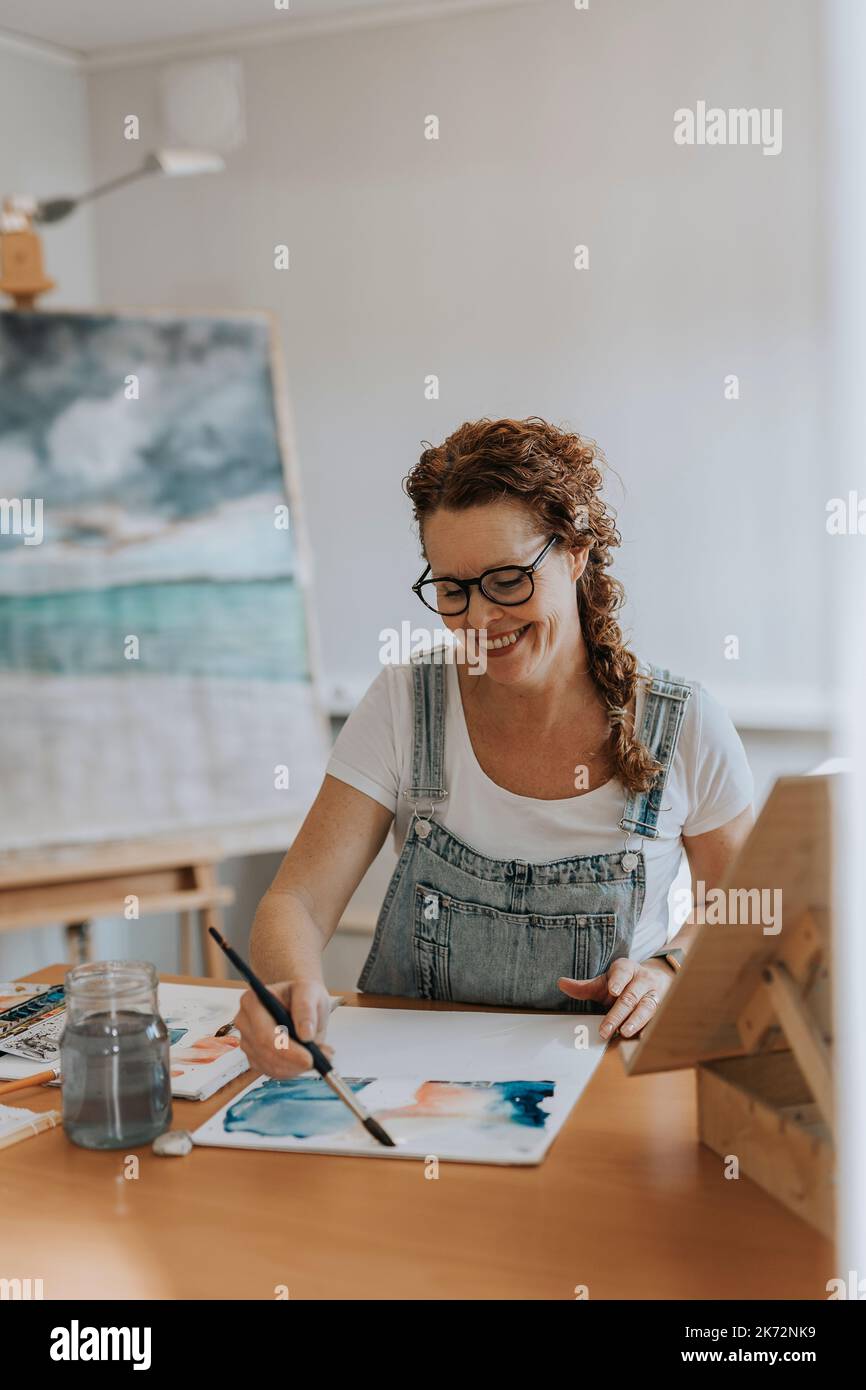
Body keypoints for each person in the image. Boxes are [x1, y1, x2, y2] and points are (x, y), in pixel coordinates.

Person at [235, 418, 754, 1077]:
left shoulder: (685, 724)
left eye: (507, 580)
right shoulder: (405, 703)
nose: (479, 620)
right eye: (452, 590)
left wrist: (668, 968)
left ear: (575, 553)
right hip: (414, 1092)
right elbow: (297, 902)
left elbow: (743, 912)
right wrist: (284, 992)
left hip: (599, 1090)